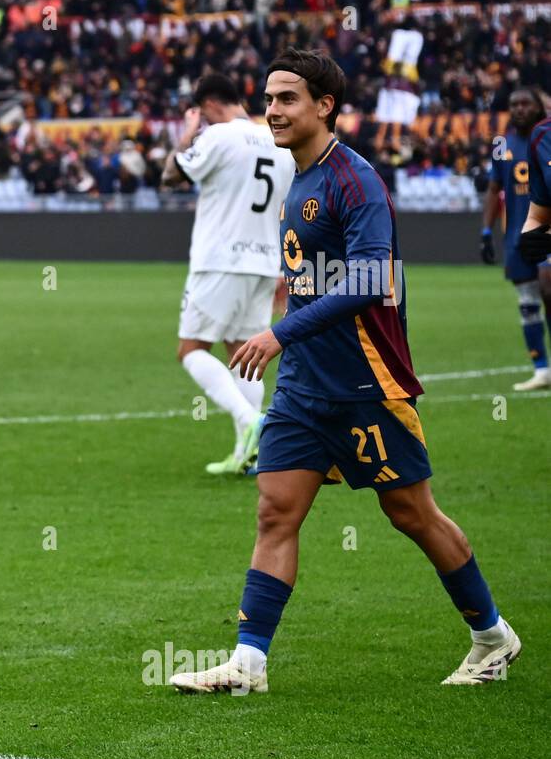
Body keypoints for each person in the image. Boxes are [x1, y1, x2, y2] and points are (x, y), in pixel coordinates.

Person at [171, 50, 519, 694]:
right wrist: (291, 311)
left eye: (287, 99)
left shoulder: (355, 181)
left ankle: (493, 636)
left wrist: (279, 331)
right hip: (305, 387)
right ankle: (248, 664)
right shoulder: (295, 177)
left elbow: (366, 278)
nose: (273, 109)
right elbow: (316, 274)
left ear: (324, 106)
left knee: (412, 514)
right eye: (269, 98)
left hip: (367, 383)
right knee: (276, 513)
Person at [162, 73, 295, 474]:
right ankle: (247, 455)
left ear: (208, 107)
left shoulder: (218, 136)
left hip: (219, 259)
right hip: (264, 261)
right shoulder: (278, 144)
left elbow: (170, 176)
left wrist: (187, 134)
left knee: (190, 350)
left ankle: (252, 421)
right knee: (244, 355)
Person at [480, 87, 551, 391]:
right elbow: (495, 188)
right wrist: (486, 232)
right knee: (528, 302)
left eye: (525, 103)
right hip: (516, 238)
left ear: (538, 108)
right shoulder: (501, 144)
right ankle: (541, 369)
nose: (519, 109)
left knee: (548, 289)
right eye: (514, 105)